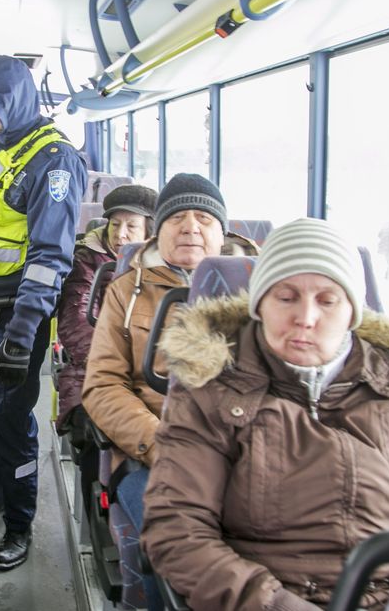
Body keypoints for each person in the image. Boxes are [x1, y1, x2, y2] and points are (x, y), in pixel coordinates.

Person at [142, 218, 389, 610]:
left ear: (352, 314)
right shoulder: (211, 390)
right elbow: (178, 530)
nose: (306, 318)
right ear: (260, 305)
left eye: (327, 300)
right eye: (286, 298)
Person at [82, 173, 256, 609]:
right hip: (153, 451)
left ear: (223, 230)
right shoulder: (126, 290)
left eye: (203, 217)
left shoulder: (263, 290)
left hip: (250, 449)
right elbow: (102, 385)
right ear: (159, 229)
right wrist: (162, 444)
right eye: (177, 216)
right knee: (176, 547)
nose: (191, 227)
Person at [0, 54, 86, 570]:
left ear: (20, 101)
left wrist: (24, 334)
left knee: (11, 423)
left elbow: (50, 258)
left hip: (9, 315)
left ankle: (20, 524)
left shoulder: (54, 161)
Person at [54, 184, 156, 504]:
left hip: (154, 375)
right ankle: (97, 504)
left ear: (150, 231)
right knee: (93, 425)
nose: (121, 234)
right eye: (115, 224)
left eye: (131, 226)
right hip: (92, 369)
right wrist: (120, 367)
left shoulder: (166, 266)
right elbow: (77, 325)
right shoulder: (89, 262)